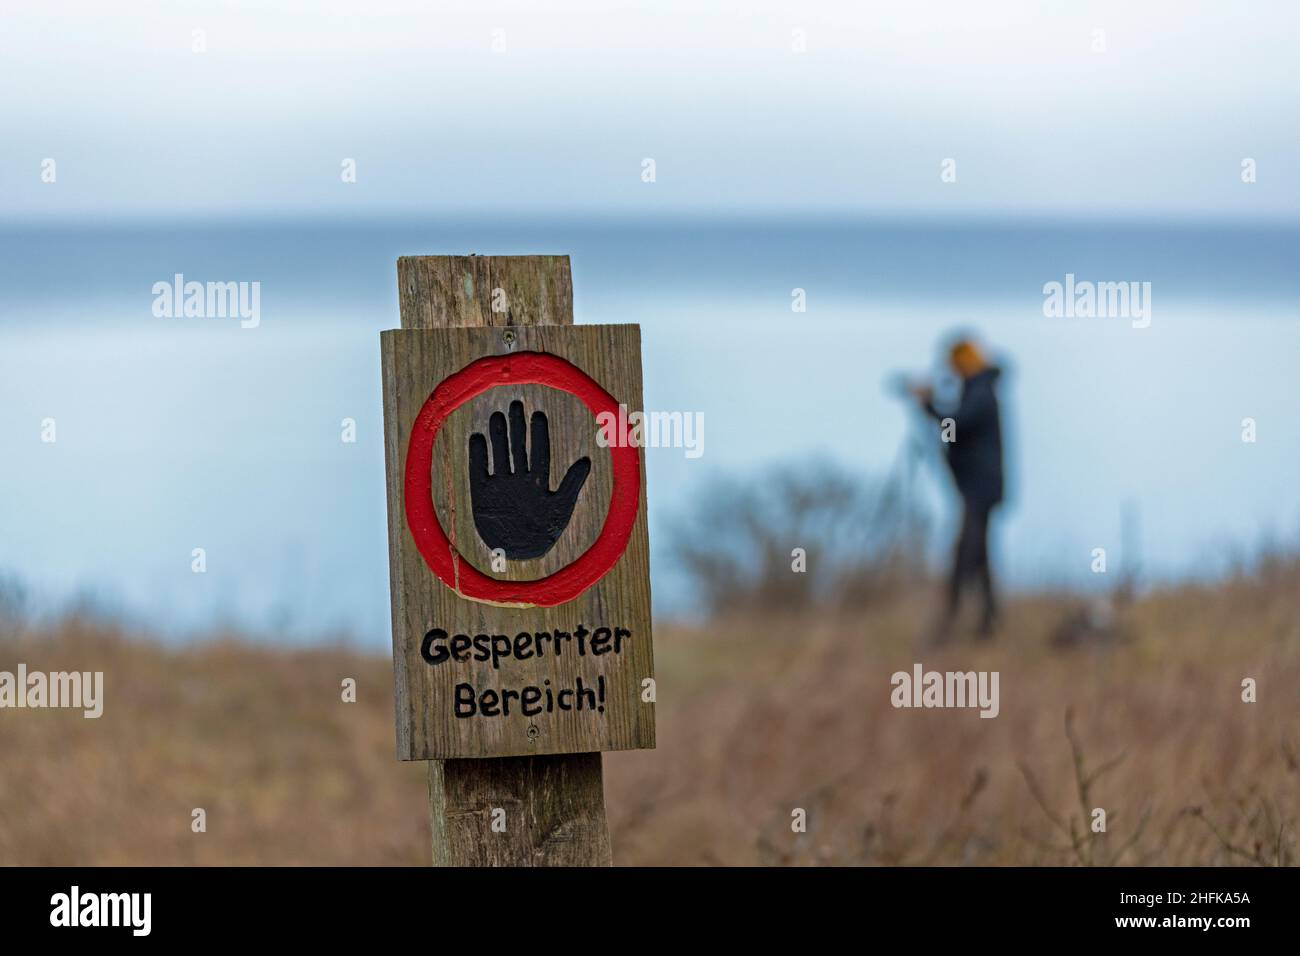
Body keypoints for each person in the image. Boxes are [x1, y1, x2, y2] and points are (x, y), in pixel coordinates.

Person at [910, 337, 1005, 640]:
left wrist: (929, 406)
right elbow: (955, 426)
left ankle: (948, 623)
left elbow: (957, 424)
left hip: (980, 489)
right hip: (976, 487)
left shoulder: (981, 390)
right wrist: (934, 408)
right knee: (979, 555)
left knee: (966, 552)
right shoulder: (977, 388)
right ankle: (988, 621)